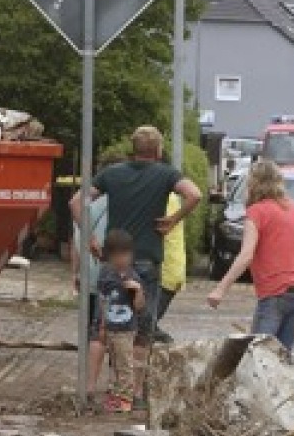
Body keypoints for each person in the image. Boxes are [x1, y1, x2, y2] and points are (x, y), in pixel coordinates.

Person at [71, 125, 203, 409]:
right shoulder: (166, 174)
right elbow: (195, 195)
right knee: (141, 331)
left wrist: (90, 238)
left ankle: (90, 390)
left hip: (111, 262)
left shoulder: (112, 174)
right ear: (158, 150)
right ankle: (135, 394)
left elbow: (75, 202)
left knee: (102, 328)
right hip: (145, 263)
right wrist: (174, 219)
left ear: (133, 149)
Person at [207, 161, 294, 354]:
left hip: (275, 292)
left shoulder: (256, 212)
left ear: (254, 183)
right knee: (283, 355)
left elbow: (246, 255)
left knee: (259, 355)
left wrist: (220, 289)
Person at [95, 229, 145, 413]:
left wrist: (138, 290)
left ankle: (126, 398)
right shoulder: (106, 275)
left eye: (125, 255)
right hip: (110, 326)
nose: (121, 260)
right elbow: (102, 301)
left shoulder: (133, 277)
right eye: (117, 255)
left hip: (126, 328)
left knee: (125, 362)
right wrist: (101, 325)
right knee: (115, 362)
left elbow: (140, 307)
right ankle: (115, 395)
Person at [70, 186, 109, 397]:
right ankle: (109, 380)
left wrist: (74, 274)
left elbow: (76, 242)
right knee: (110, 329)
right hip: (107, 276)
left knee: (90, 330)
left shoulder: (82, 208)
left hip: (88, 276)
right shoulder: (112, 206)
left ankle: (87, 378)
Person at [155, 193, 187, 343]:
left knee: (149, 319)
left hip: (167, 265)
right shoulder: (171, 198)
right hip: (172, 265)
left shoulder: (165, 198)